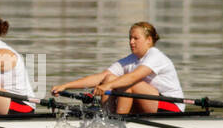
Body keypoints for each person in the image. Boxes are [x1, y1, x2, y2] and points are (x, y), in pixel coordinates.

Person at [51, 22, 184, 114]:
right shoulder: (131, 59)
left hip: (171, 105)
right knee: (109, 78)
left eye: (136, 38)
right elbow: (101, 77)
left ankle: (117, 121)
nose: (131, 42)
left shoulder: (155, 55)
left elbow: (133, 77)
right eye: (130, 38)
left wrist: (107, 87)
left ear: (149, 40)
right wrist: (66, 85)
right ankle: (106, 117)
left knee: (128, 83)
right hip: (150, 103)